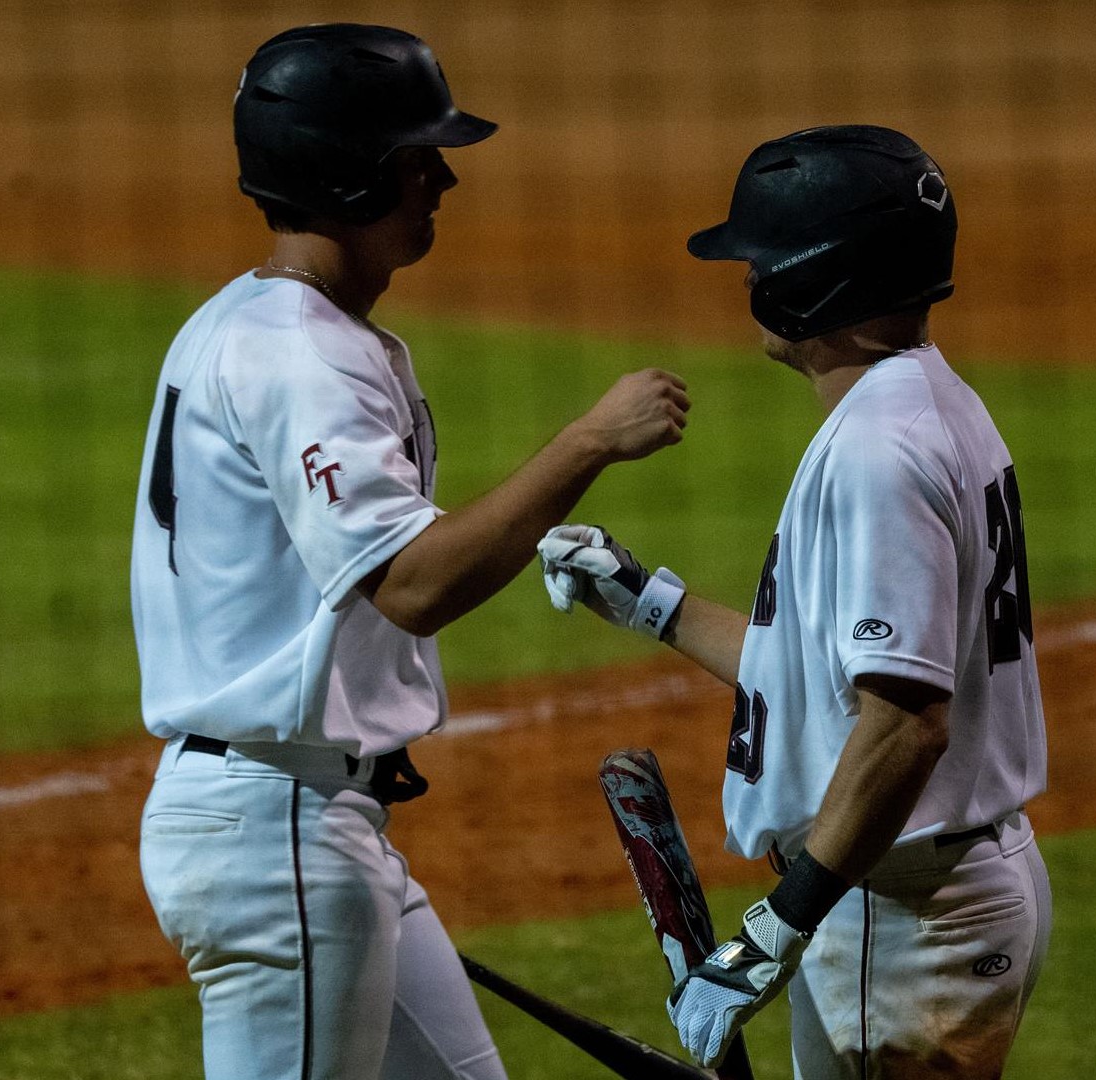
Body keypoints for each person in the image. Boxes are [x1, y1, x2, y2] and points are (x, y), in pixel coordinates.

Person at [129, 24, 690, 1080]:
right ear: (347, 176)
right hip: (274, 835)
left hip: (317, 825)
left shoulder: (260, 324)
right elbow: (413, 585)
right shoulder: (299, 354)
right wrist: (586, 444)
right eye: (416, 157)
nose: (442, 177)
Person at [538, 125, 1051, 1079]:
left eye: (761, 260)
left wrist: (780, 920)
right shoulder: (932, 405)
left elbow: (904, 727)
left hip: (901, 917)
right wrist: (648, 600)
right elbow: (834, 677)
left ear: (815, 279)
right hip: (930, 893)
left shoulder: (876, 453)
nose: (748, 281)